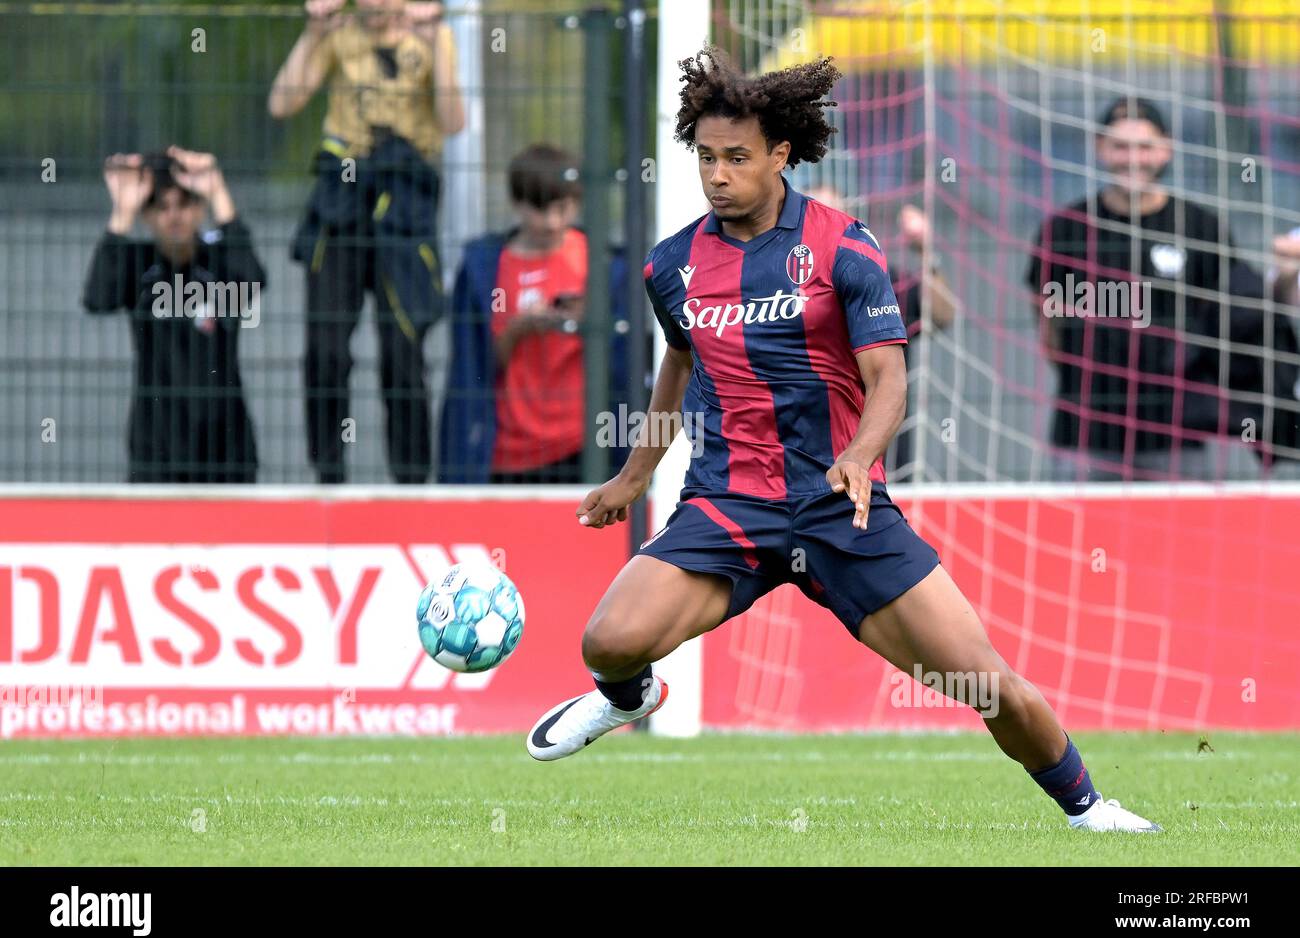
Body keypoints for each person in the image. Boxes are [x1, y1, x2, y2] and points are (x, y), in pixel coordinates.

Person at [525, 47, 1160, 833]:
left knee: (987, 685)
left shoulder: (843, 246)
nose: (717, 175)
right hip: (730, 504)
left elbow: (889, 378)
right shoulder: (673, 267)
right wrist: (633, 476)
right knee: (609, 641)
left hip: (839, 507)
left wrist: (858, 455)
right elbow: (680, 361)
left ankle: (1089, 809)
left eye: (737, 158)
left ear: (781, 155)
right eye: (705, 158)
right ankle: (632, 699)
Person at [1026, 96, 1300, 481]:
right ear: (1100, 149)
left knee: (1180, 541)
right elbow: (1049, 335)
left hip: (1175, 438)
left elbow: (1250, 317)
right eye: (1120, 146)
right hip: (1084, 435)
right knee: (1077, 541)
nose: (1132, 158)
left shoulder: (1199, 227)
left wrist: (1287, 271)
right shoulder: (1064, 231)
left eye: (1145, 146)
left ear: (1166, 149)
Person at [268, 0, 466, 483]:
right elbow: (282, 103)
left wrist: (434, 41)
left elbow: (453, 121)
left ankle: (412, 481)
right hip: (344, 192)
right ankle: (328, 474)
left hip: (404, 196)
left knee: (403, 347)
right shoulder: (340, 31)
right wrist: (314, 32)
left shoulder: (432, 35)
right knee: (326, 345)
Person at [438, 144, 630, 483]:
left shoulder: (602, 262)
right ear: (516, 204)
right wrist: (518, 330)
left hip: (583, 447)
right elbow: (473, 368)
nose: (553, 222)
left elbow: (627, 358)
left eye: (564, 208)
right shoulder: (485, 269)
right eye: (540, 210)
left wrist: (591, 323)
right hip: (509, 453)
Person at [82, 148, 264, 483]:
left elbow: (254, 280)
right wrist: (123, 211)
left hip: (226, 445)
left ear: (199, 209)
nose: (174, 216)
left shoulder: (221, 262)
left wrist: (217, 190)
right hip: (156, 445)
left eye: (183, 205)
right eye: (162, 208)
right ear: (147, 216)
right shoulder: (138, 264)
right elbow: (97, 298)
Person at [804, 188, 959, 480]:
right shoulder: (783, 288)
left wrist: (926, 251)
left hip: (885, 454)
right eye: (815, 216)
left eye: (831, 215)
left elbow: (943, 314)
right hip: (807, 452)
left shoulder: (882, 279)